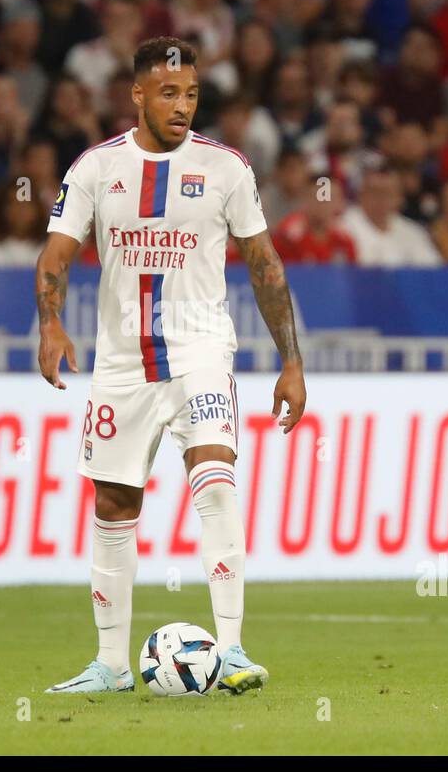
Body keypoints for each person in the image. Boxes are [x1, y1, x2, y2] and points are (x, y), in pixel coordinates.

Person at [35, 36, 306, 695]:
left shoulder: (227, 169)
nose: (182, 105)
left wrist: (291, 361)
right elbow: (56, 256)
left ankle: (234, 649)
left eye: (190, 93)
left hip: (200, 348)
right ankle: (112, 665)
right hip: (122, 359)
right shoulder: (97, 168)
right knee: (114, 499)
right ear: (137, 94)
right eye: (168, 92)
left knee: (214, 476)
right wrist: (50, 324)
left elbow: (266, 265)